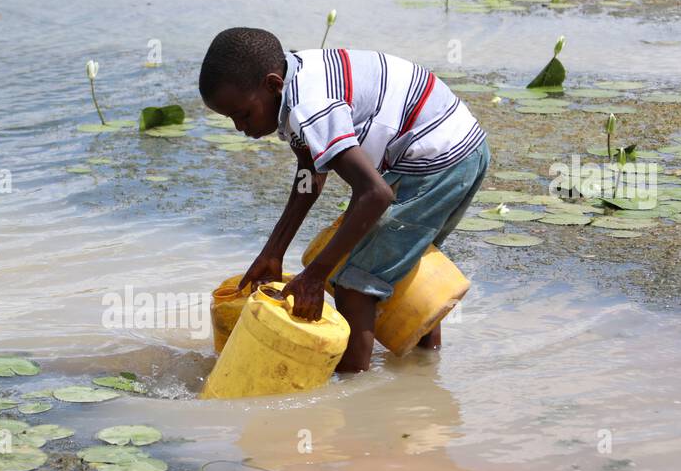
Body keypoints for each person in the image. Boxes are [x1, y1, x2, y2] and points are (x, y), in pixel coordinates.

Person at [199, 27, 489, 371]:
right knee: (400, 263)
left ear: (273, 85)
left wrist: (314, 276)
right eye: (231, 119)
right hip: (454, 146)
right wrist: (273, 251)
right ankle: (424, 369)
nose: (240, 128)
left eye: (244, 114)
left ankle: (353, 390)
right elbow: (310, 176)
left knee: (352, 283)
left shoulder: (309, 106)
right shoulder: (294, 85)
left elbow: (375, 194)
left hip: (438, 158)